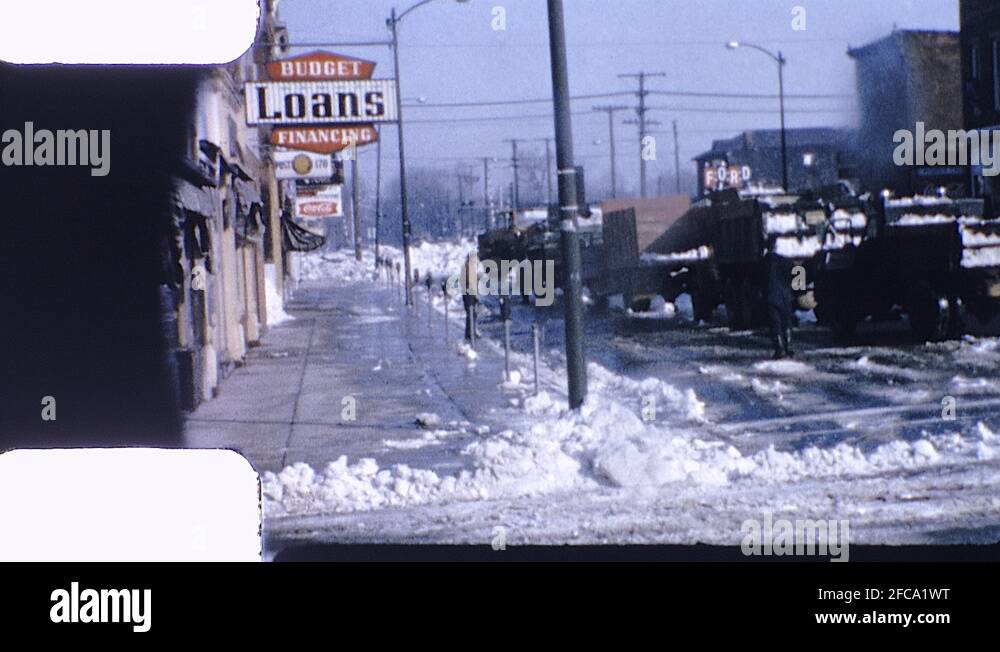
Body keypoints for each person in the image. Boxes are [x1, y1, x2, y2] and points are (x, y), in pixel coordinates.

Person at [766, 249, 795, 359]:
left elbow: (760, 278)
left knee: (775, 323)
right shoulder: (790, 262)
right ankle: (789, 346)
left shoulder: (767, 261)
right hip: (787, 297)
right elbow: (799, 277)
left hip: (772, 296)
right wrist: (799, 293)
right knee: (787, 321)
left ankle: (779, 348)